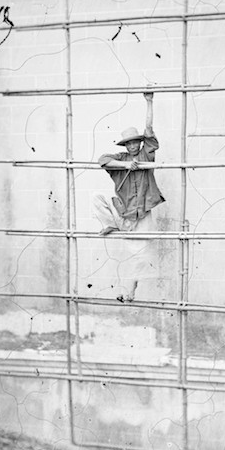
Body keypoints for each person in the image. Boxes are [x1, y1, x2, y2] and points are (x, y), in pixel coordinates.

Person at [93, 92, 166, 301]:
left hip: (141, 215)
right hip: (124, 214)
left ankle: (130, 292)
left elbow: (150, 132)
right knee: (97, 197)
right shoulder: (122, 158)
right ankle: (110, 225)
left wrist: (149, 102)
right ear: (125, 146)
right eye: (129, 144)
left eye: (136, 142)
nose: (133, 146)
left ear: (139, 143)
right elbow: (102, 159)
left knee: (139, 255)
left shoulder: (146, 155)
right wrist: (127, 165)